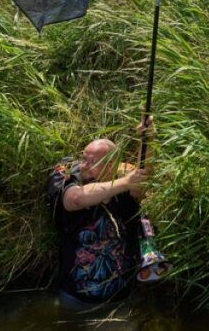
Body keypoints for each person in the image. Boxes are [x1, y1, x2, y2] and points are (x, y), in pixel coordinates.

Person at [46, 118, 152, 308]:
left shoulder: (124, 188)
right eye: (84, 158)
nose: (84, 164)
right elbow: (76, 199)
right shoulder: (67, 175)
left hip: (121, 299)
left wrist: (148, 140)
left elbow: (141, 183)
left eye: (92, 161)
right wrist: (126, 182)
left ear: (111, 166)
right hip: (75, 299)